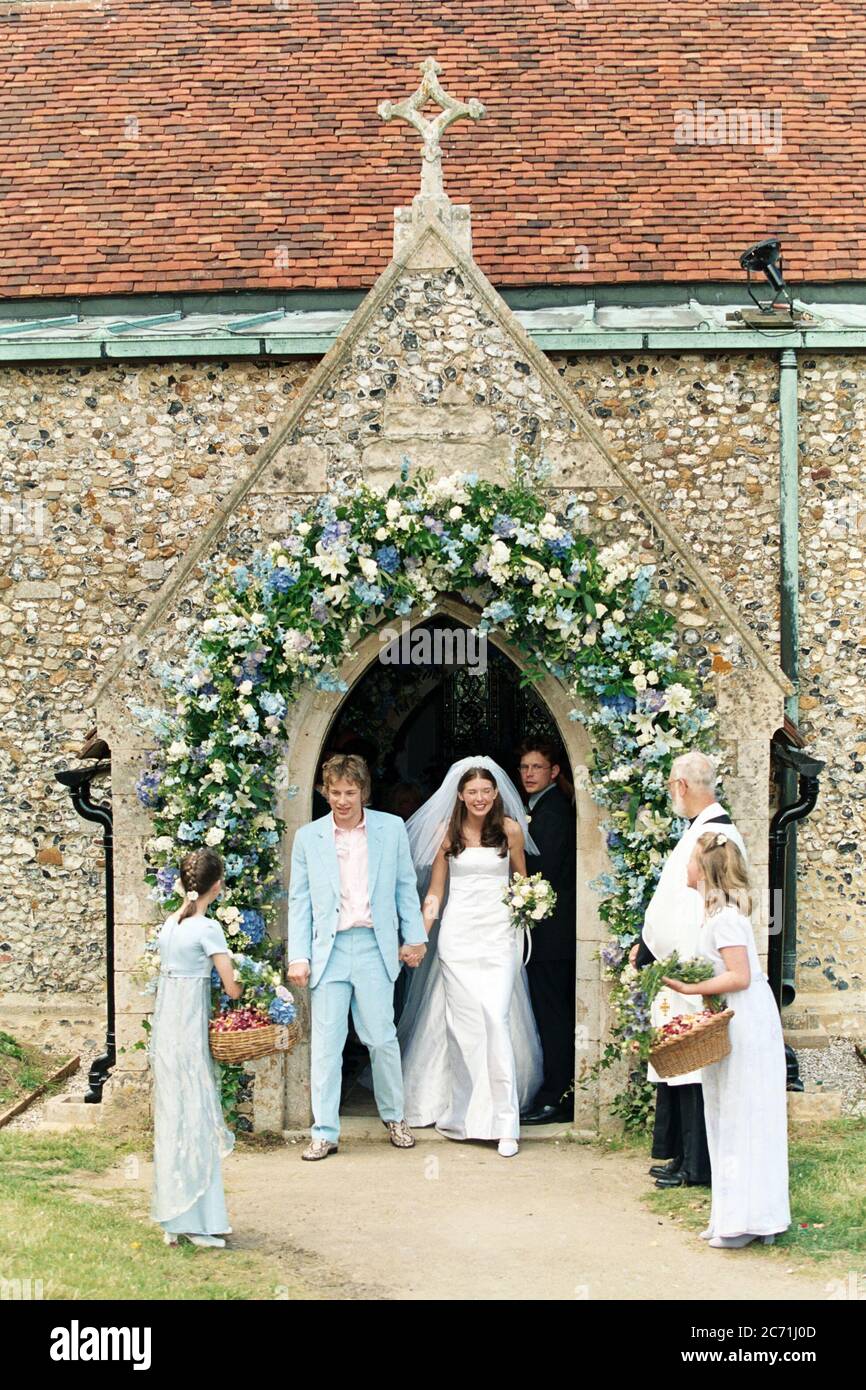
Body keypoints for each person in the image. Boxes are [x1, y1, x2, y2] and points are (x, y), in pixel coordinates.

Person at [399, 756, 543, 1158]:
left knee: (495, 1019)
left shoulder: (511, 830)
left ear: (496, 793)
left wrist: (531, 904)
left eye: (485, 791)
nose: (479, 798)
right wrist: (419, 938)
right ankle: (465, 1113)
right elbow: (435, 894)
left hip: (500, 939)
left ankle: (505, 1123)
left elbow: (522, 880)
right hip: (458, 940)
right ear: (460, 796)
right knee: (464, 1028)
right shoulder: (448, 834)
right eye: (471, 792)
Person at [287, 753, 428, 1161]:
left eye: (350, 792)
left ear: (363, 791)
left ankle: (395, 1117)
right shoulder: (308, 837)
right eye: (335, 793)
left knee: (381, 1038)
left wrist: (414, 937)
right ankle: (324, 1132)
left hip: (373, 945)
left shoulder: (391, 828)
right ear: (324, 792)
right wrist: (299, 955)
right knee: (326, 1044)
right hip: (328, 951)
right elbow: (300, 902)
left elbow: (405, 886)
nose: (343, 800)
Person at [663, 832, 790, 1248]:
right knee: (723, 1113)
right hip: (732, 1015)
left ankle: (748, 1220)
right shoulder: (717, 916)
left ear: (706, 870)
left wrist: (688, 988)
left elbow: (741, 976)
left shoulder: (727, 920)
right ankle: (733, 1216)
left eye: (691, 861)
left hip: (745, 1018)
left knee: (742, 1113)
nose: (685, 868)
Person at [630, 750, 746, 1189]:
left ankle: (698, 1164)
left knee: (694, 1061)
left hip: (694, 966)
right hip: (677, 962)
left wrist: (670, 958)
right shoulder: (701, 829)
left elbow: (705, 903)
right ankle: (683, 1156)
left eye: (669, 786)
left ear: (680, 786)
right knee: (679, 1060)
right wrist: (648, 943)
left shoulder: (715, 835)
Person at [150, 847, 241, 1249]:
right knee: (196, 1115)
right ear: (216, 886)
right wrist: (247, 986)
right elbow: (232, 985)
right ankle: (199, 1221)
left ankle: (177, 1215)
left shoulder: (171, 924)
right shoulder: (206, 929)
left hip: (167, 1029)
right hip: (187, 1031)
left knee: (175, 1117)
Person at [517, 738, 577, 1125]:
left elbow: (547, 872)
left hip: (552, 934)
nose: (528, 775)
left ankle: (557, 1095)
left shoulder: (553, 811)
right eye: (523, 768)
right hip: (545, 934)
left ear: (554, 771)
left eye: (536, 768)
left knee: (553, 1016)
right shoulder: (539, 808)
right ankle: (554, 1090)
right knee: (546, 1013)